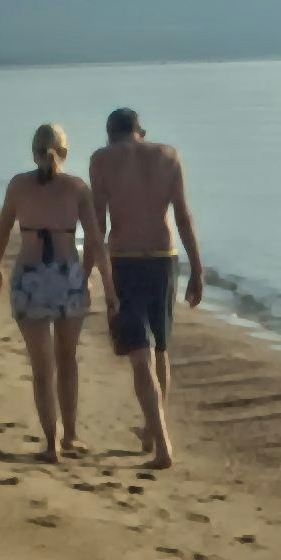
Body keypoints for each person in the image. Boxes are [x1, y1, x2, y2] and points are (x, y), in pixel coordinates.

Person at [89, 105, 204, 468]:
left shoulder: (102, 159)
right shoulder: (168, 155)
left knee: (140, 355)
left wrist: (84, 274)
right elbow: (183, 216)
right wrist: (198, 270)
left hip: (126, 261)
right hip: (164, 259)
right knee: (160, 349)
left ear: (111, 133)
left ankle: (163, 447)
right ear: (141, 130)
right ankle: (152, 431)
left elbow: (97, 224)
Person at [0, 122, 99, 460]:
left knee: (41, 367)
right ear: (65, 153)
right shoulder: (78, 187)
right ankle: (71, 435)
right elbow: (95, 238)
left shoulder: (18, 186)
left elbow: (3, 231)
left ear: (33, 151)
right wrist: (90, 274)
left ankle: (51, 444)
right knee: (67, 360)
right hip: (67, 278)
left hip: (30, 279)